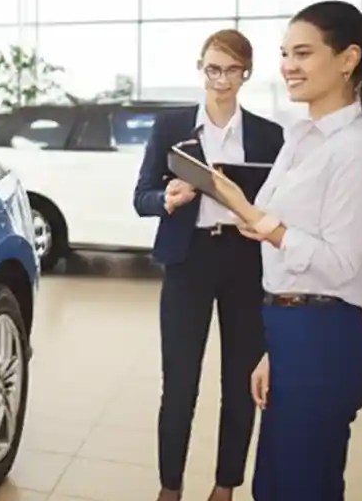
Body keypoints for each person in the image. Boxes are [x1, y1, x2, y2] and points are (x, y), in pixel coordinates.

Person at [208, 2, 362, 500]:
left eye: (302, 53)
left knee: (303, 489)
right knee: (272, 488)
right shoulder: (300, 138)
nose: (288, 66)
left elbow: (343, 265)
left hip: (325, 341)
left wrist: (256, 218)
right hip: (291, 331)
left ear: (348, 59)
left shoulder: (361, 150)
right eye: (283, 54)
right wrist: (274, 350)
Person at [134, 29, 285, 501]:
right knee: (179, 381)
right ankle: (170, 485)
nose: (222, 80)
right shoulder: (172, 127)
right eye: (213, 69)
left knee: (240, 382)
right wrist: (169, 199)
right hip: (188, 260)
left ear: (247, 73)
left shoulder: (268, 135)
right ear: (201, 68)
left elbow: (278, 203)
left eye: (232, 70)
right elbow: (142, 197)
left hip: (244, 261)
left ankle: (225, 486)